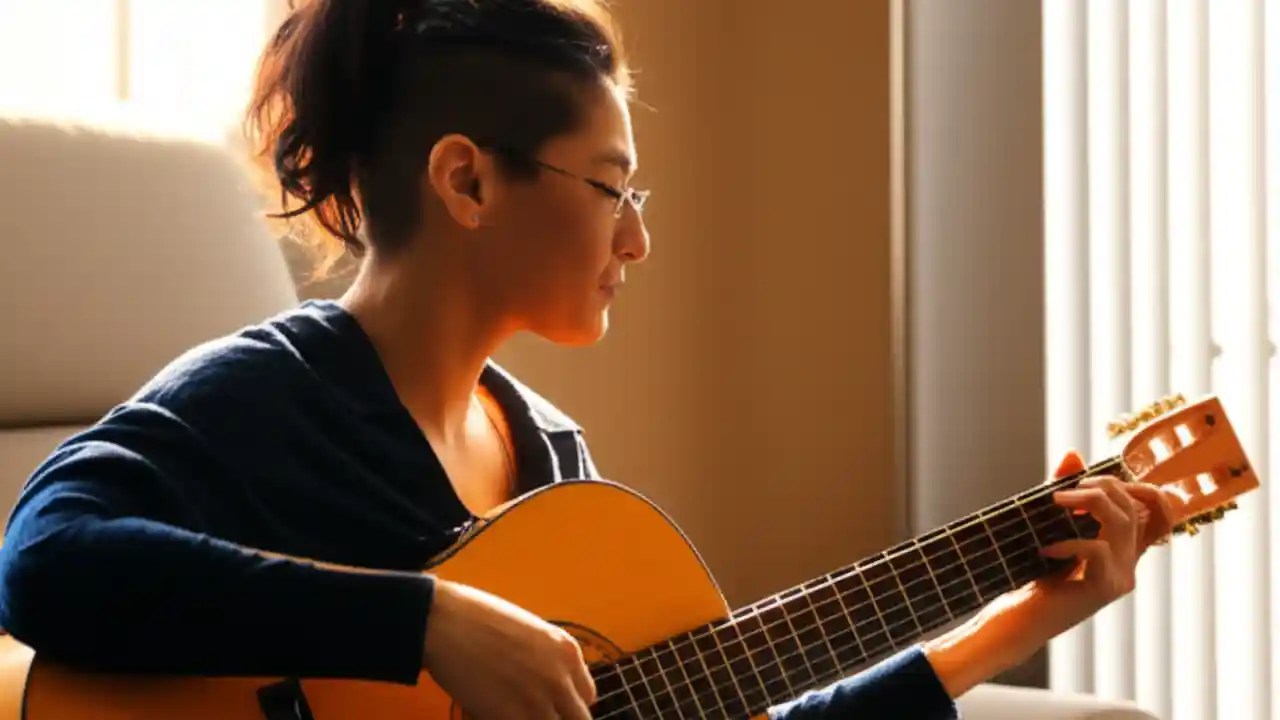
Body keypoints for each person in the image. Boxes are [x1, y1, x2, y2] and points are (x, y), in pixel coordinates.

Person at [0, 1, 1173, 718]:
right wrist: (426, 624)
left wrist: (1014, 619)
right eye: (609, 185)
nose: (637, 237)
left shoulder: (555, 468)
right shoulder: (275, 394)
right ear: (466, 181)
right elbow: (46, 559)